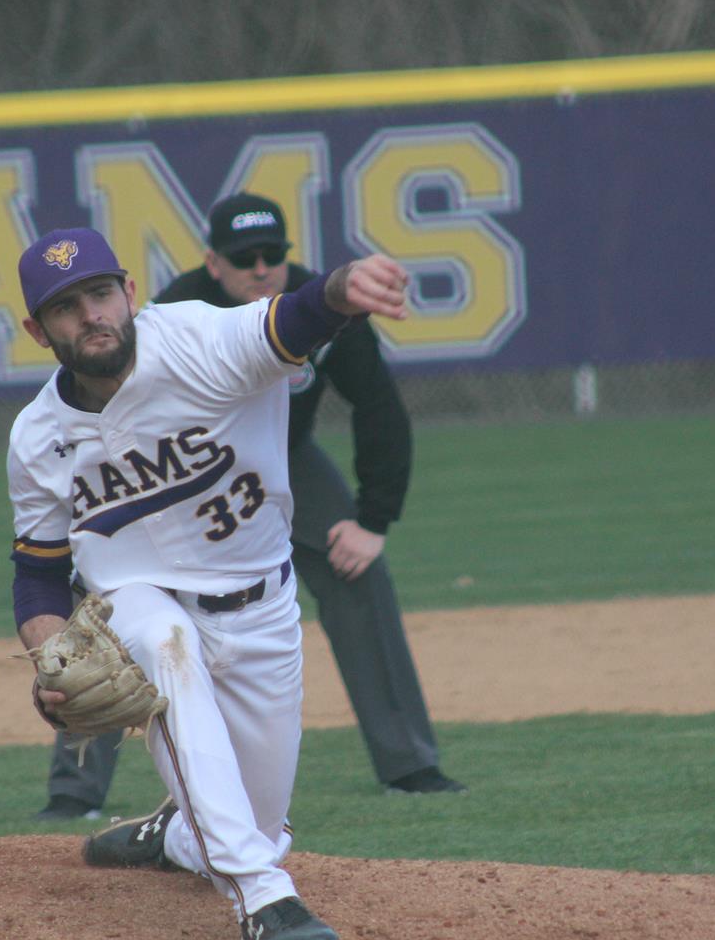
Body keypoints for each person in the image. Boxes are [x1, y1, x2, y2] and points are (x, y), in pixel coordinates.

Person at [7, 224, 414, 940]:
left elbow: (292, 320)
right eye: (66, 307)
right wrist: (52, 655)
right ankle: (265, 900)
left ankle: (180, 833)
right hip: (137, 607)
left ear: (130, 292)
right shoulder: (38, 437)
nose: (90, 315)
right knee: (167, 641)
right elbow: (37, 569)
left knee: (256, 822)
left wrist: (339, 289)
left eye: (100, 293)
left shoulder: (196, 339)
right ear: (38, 329)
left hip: (262, 609)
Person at [35, 194, 464, 822]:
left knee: (360, 573)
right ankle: (74, 794)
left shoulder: (312, 311)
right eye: (244, 259)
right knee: (112, 607)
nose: (262, 269)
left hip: (283, 458)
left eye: (273, 257)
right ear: (213, 262)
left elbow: (379, 408)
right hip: (178, 469)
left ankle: (410, 764)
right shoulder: (179, 310)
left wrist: (373, 520)